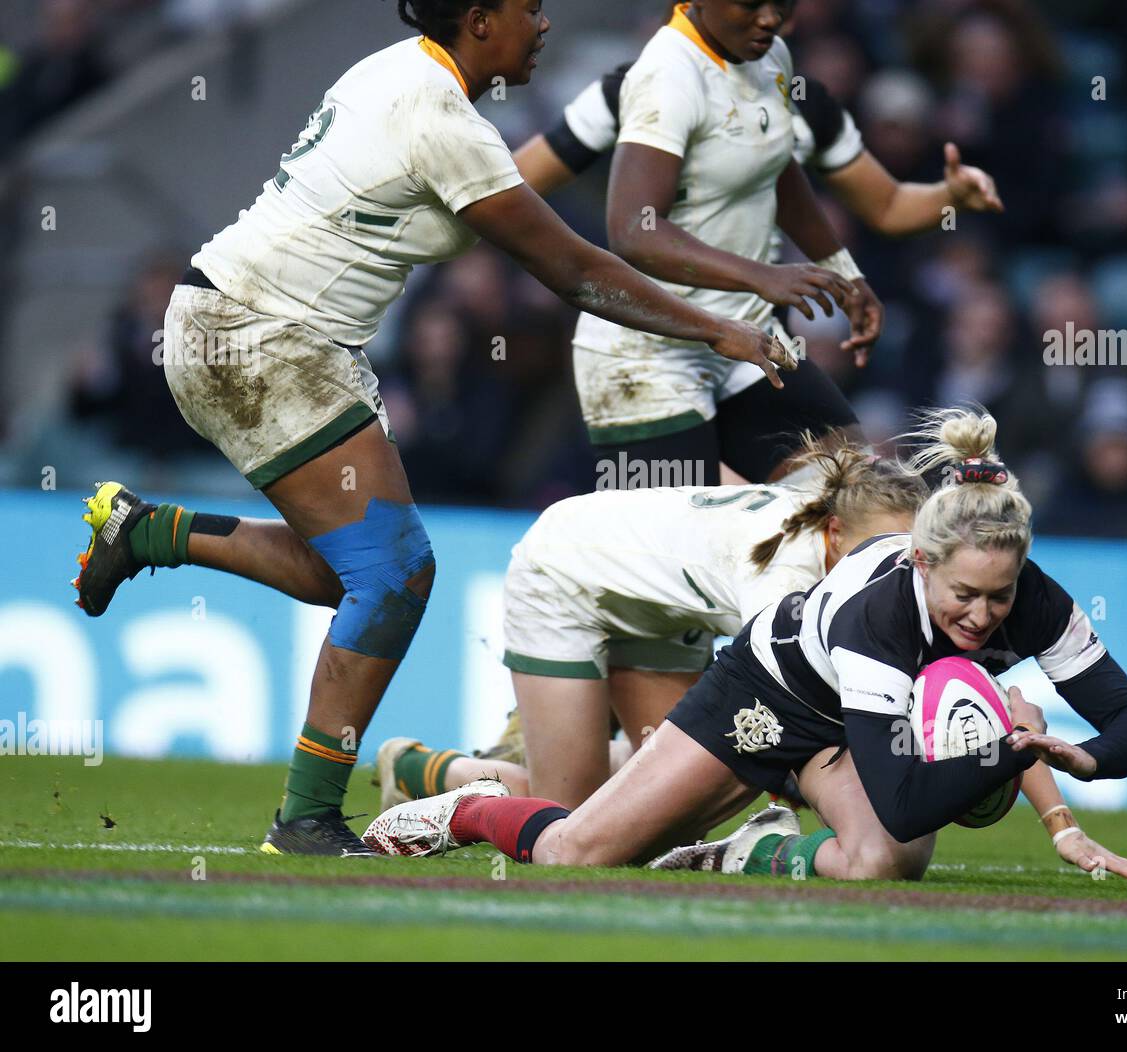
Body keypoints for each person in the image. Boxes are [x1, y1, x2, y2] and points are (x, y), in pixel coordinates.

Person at [70, 0, 794, 857]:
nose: (546, 23)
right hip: (258, 336)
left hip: (254, 327)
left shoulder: (404, 73)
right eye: (530, 9)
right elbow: (569, 266)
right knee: (396, 572)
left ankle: (146, 531)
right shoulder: (440, 115)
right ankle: (304, 819)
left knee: (344, 572)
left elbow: (522, 204)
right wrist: (713, 325)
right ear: (481, 20)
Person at [363, 407, 1127, 882]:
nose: (985, 617)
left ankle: (733, 856)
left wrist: (1078, 761)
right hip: (763, 695)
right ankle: (470, 809)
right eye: (964, 595)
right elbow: (908, 794)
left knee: (884, 865)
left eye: (1001, 595)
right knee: (579, 853)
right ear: (921, 563)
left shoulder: (1039, 604)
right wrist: (1007, 753)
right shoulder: (876, 622)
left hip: (843, 729)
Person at [377, 438, 927, 810]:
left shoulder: (840, 532)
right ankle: (415, 768)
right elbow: (782, 700)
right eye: (876, 550)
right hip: (564, 573)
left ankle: (564, 742)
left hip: (663, 610)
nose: (887, 568)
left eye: (903, 557)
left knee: (667, 803)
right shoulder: (785, 571)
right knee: (570, 817)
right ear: (833, 531)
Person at [542, 1, 883, 488]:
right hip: (650, 354)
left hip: (746, 341)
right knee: (680, 550)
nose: (770, 18)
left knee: (854, 496)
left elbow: (775, 167)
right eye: (750, 4)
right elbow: (634, 230)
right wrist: (762, 275)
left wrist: (842, 268)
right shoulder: (669, 74)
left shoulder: (771, 56)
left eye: (781, 2)